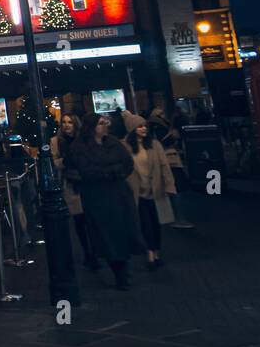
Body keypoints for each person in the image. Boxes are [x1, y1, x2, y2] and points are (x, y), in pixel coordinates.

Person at [70, 113, 145, 290]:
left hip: (119, 193)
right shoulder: (80, 146)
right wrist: (111, 170)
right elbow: (87, 171)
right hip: (97, 196)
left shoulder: (112, 142)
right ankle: (118, 271)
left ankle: (124, 268)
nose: (105, 126)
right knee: (106, 234)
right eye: (100, 123)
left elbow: (127, 163)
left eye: (105, 122)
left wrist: (111, 171)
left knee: (123, 229)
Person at [123, 114, 177, 270]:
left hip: (155, 190)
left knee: (156, 224)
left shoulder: (154, 144)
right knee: (145, 224)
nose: (144, 128)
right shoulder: (126, 147)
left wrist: (170, 186)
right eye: (140, 126)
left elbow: (164, 166)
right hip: (137, 192)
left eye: (145, 126)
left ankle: (156, 252)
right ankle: (151, 254)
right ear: (132, 129)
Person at [50, 112, 96, 269]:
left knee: (91, 220)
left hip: (87, 182)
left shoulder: (84, 139)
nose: (66, 125)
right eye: (64, 122)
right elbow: (54, 162)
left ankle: (95, 250)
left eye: (70, 122)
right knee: (79, 220)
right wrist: (65, 161)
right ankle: (88, 253)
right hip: (71, 183)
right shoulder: (57, 141)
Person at [147, 106, 194, 229]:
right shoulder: (160, 126)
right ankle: (179, 218)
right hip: (170, 159)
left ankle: (170, 217)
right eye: (162, 113)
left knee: (171, 188)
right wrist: (172, 137)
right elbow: (164, 142)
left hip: (166, 159)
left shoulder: (153, 126)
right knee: (175, 188)